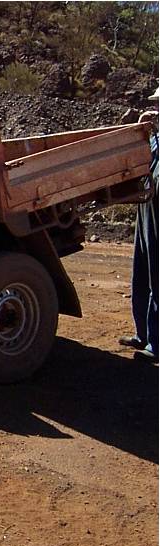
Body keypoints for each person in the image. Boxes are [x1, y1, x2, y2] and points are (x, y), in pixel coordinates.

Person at [119, 106, 158, 363]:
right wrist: (139, 130)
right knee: (141, 272)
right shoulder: (154, 137)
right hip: (148, 208)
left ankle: (156, 343)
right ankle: (142, 333)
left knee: (157, 276)